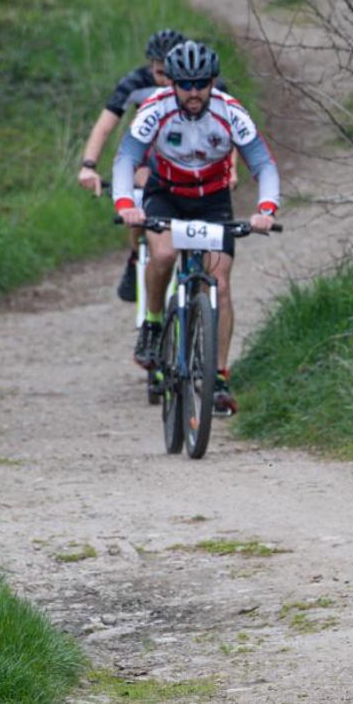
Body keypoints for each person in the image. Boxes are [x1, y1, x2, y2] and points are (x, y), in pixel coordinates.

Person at [113, 40, 279, 415]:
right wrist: (126, 204)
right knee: (165, 253)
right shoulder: (154, 109)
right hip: (165, 194)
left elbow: (263, 164)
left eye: (201, 84)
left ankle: (218, 376)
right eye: (185, 84)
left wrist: (266, 208)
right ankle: (153, 324)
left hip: (212, 200)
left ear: (212, 82)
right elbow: (126, 158)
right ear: (171, 83)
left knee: (219, 282)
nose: (193, 92)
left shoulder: (230, 112)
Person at [80, 29, 239, 303]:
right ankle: (136, 257)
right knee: (142, 194)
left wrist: (232, 170)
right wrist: (88, 165)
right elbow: (105, 126)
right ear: (150, 66)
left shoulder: (203, 87)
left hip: (197, 162)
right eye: (158, 73)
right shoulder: (136, 84)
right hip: (148, 159)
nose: (165, 81)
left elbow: (230, 132)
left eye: (170, 75)